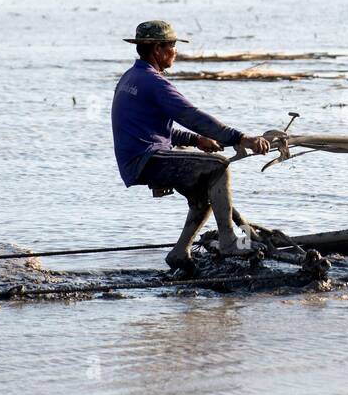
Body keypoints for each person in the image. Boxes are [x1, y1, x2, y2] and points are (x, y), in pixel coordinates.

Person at [111, 20, 270, 274]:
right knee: (218, 166)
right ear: (157, 50)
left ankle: (179, 251)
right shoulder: (154, 82)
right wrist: (242, 138)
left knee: (204, 187)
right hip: (146, 159)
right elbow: (192, 116)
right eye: (172, 45)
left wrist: (196, 141)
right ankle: (229, 240)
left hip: (140, 156)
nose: (176, 51)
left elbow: (154, 129)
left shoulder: (131, 77)